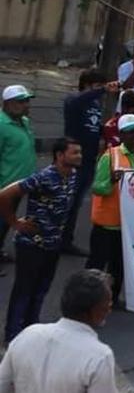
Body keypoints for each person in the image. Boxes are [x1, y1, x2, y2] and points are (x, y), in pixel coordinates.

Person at [1, 137, 81, 341]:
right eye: (74, 153)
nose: (79, 156)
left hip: (53, 244)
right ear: (60, 155)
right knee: (23, 292)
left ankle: (31, 332)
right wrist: (15, 223)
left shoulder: (73, 176)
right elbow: (5, 195)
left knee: (40, 290)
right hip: (31, 245)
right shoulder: (43, 177)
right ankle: (12, 336)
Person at [0, 269, 118, 392]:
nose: (109, 308)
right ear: (93, 309)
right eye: (108, 303)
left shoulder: (28, 334)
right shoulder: (99, 356)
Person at [87, 114, 134, 303]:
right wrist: (112, 181)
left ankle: (111, 300)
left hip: (129, 224)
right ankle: (87, 301)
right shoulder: (111, 156)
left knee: (119, 265)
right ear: (121, 135)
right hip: (107, 223)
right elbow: (97, 187)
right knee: (96, 266)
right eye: (131, 132)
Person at [62, 73, 118, 255]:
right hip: (73, 161)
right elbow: (78, 102)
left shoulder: (94, 105)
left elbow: (94, 128)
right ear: (86, 85)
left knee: (76, 203)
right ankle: (53, 238)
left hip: (88, 160)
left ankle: (66, 240)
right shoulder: (74, 101)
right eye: (96, 86)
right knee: (66, 202)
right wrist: (102, 90)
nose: (99, 91)